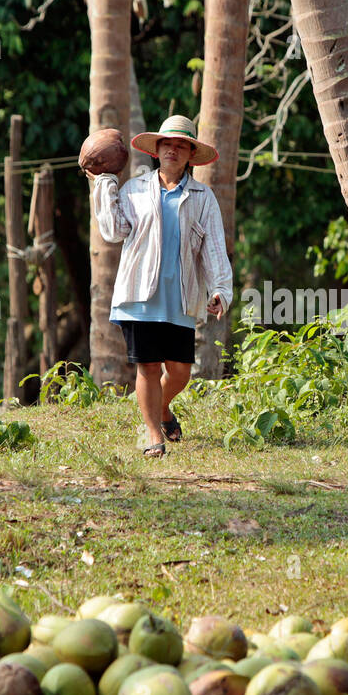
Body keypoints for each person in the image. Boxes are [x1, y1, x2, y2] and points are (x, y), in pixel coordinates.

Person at [88, 115, 233, 457]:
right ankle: (153, 435)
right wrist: (104, 183)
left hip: (180, 298)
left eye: (181, 145)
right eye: (167, 143)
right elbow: (113, 231)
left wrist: (221, 290)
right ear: (156, 150)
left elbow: (214, 247)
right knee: (149, 367)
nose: (173, 149)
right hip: (139, 295)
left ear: (190, 154)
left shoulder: (203, 197)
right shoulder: (134, 190)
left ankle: (162, 408)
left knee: (180, 372)